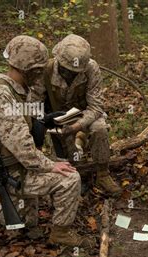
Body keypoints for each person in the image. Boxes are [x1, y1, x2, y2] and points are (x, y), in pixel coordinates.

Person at [0, 35, 95, 248]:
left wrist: (43, 120)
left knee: (25, 222)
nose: (39, 74)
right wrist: (52, 166)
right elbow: (24, 150)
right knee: (70, 178)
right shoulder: (2, 97)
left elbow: (22, 122)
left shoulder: (14, 92)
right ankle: (61, 234)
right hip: (16, 173)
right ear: (29, 69)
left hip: (19, 167)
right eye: (37, 70)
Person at [42, 34, 121, 196]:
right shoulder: (45, 71)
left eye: (75, 71)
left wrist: (77, 126)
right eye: (67, 70)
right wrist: (48, 122)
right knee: (66, 151)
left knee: (100, 129)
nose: (71, 74)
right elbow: (35, 104)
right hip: (56, 119)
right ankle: (77, 174)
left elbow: (96, 106)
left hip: (85, 114)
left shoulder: (91, 68)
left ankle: (102, 174)